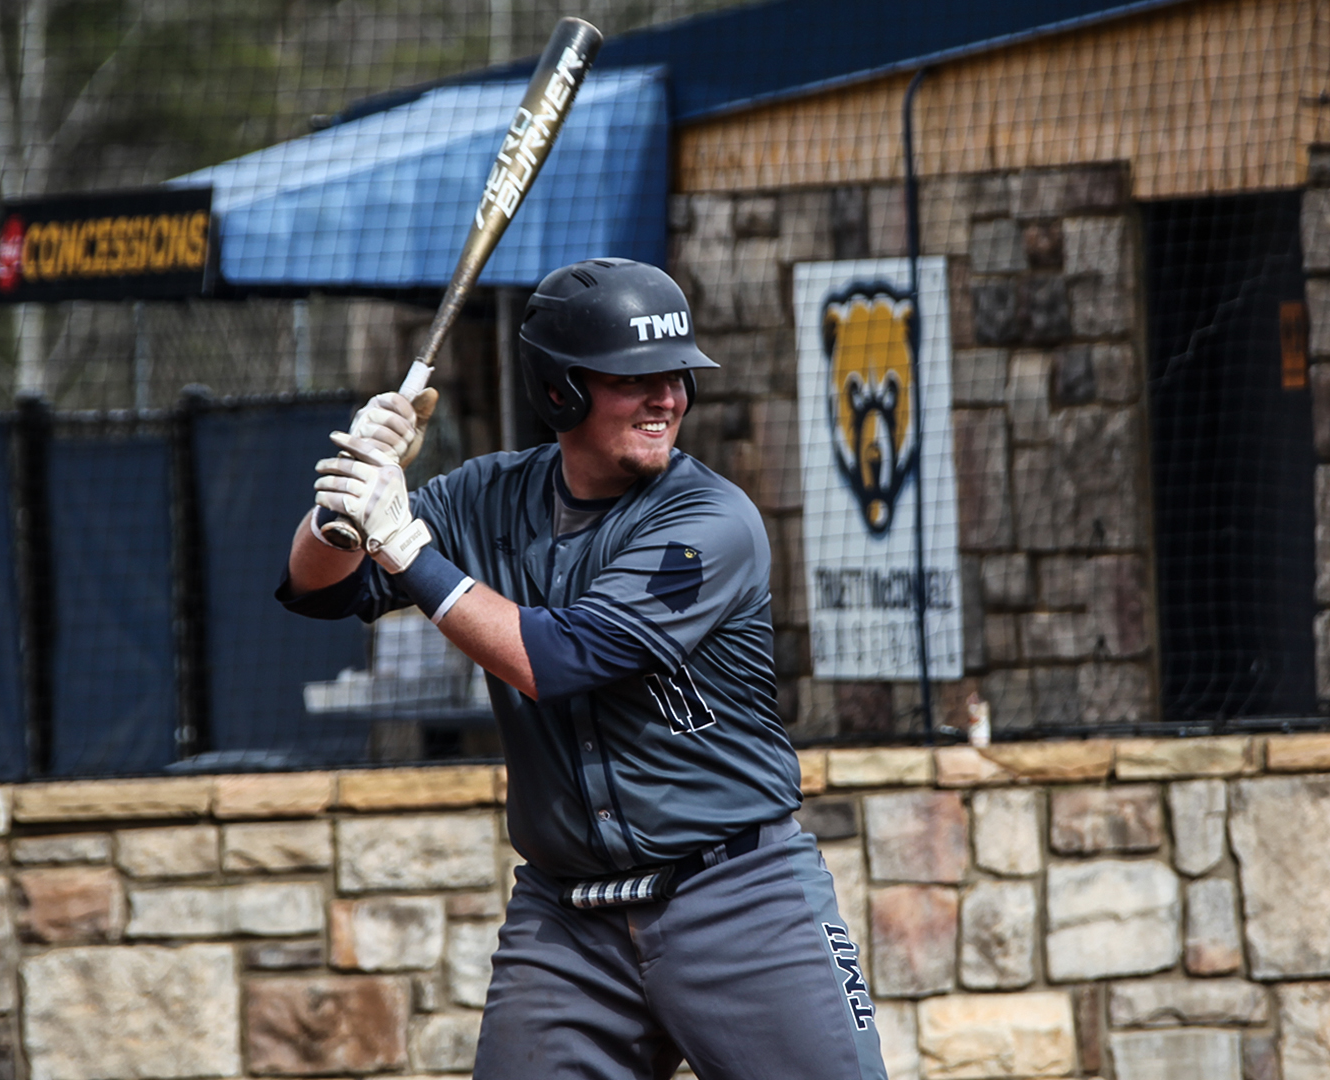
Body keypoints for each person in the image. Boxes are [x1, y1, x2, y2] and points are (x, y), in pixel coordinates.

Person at [277, 257, 886, 1080]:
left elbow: (558, 659)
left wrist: (407, 542)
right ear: (561, 391)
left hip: (738, 900)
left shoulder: (711, 522)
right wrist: (344, 506)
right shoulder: (488, 495)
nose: (666, 396)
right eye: (635, 378)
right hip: (567, 926)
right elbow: (318, 592)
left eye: (676, 375)